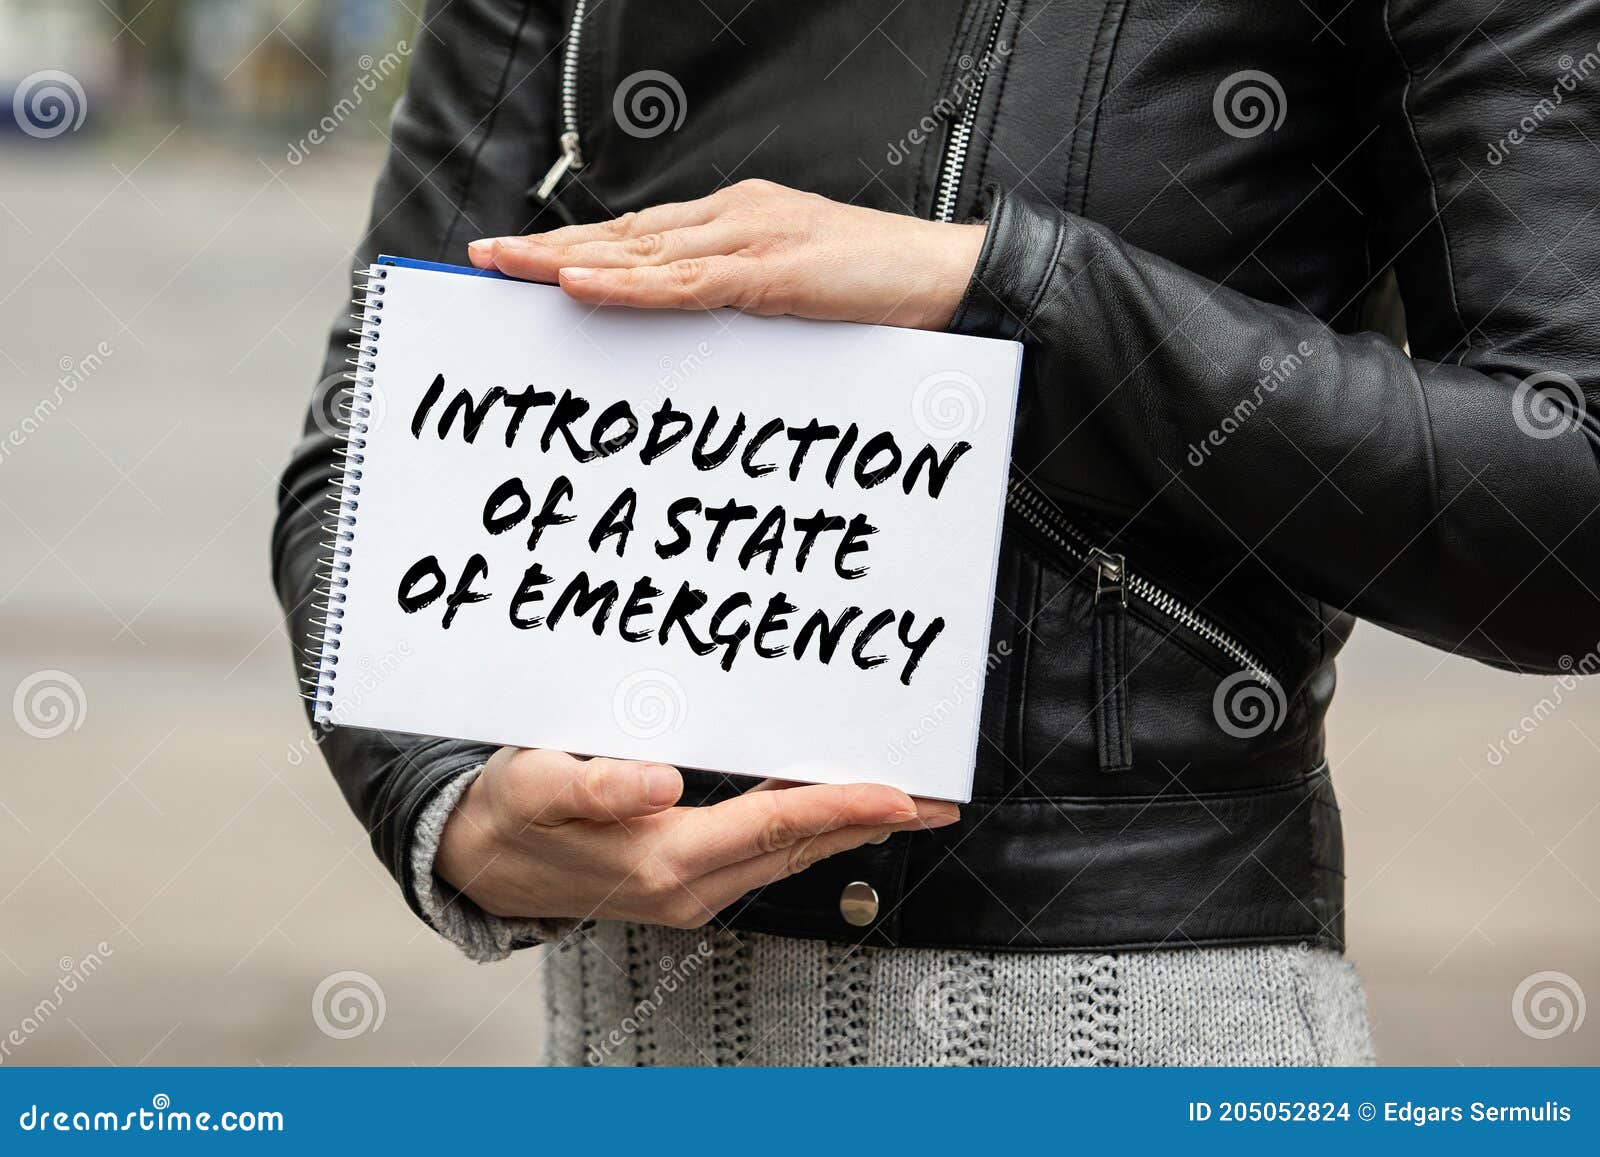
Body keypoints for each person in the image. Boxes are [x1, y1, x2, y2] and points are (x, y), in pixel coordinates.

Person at [273, 0, 1599, 1065]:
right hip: (640, 1043)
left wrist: (1001, 292)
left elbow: (1570, 499)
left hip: (1141, 1036)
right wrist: (442, 805)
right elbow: (374, 438)